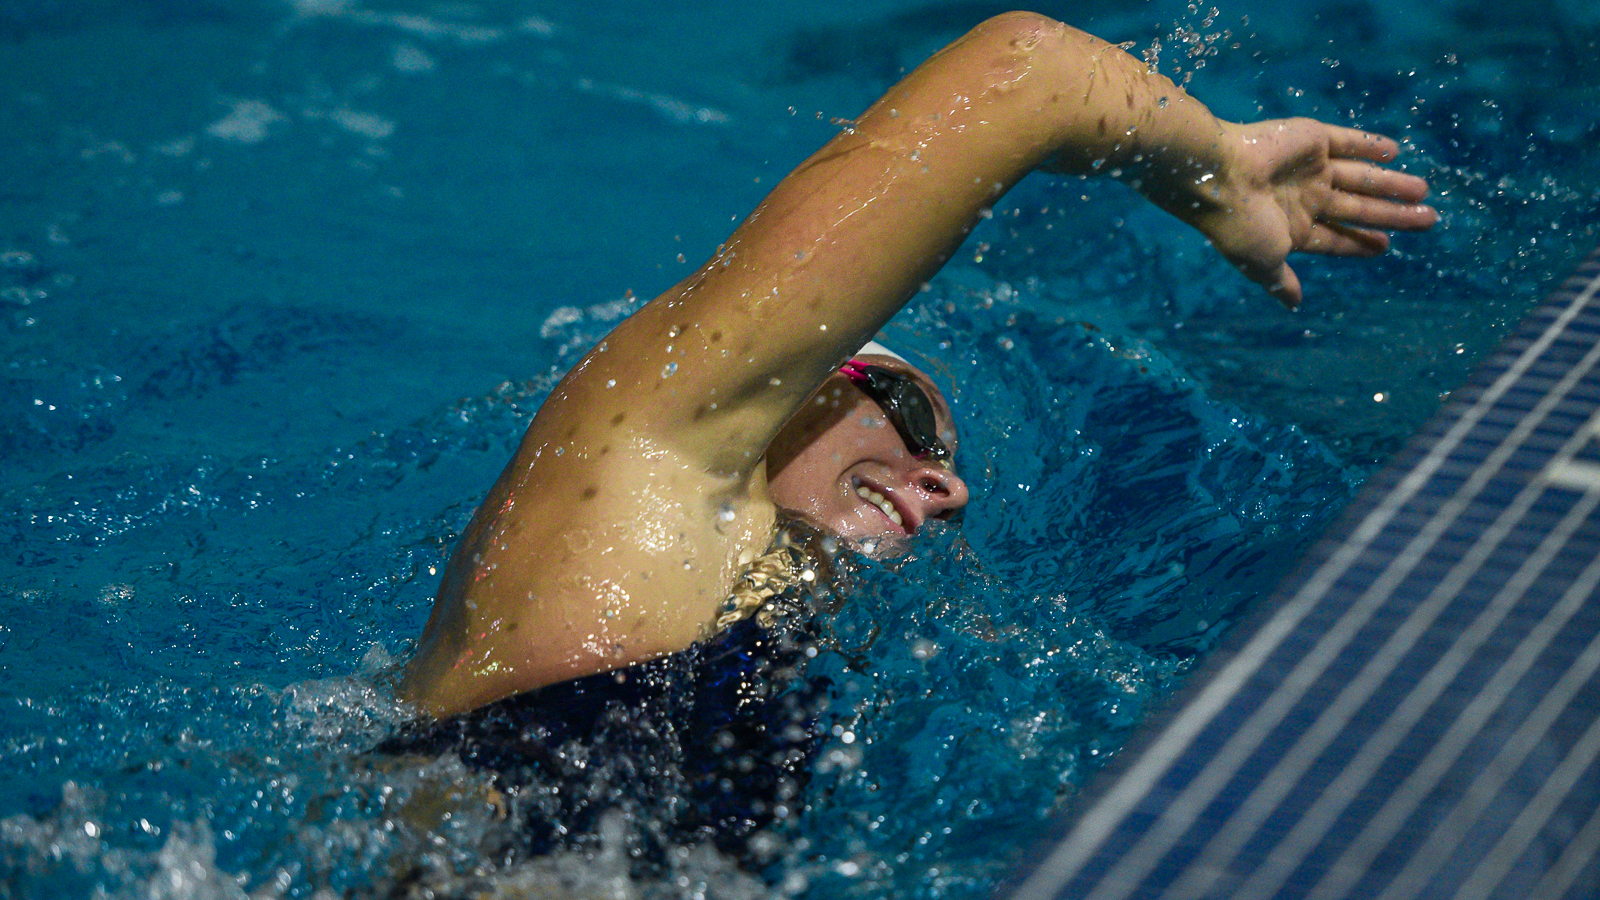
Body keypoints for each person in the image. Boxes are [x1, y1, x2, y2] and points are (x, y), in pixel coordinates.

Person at [382, 10, 1436, 860]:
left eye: (947, 466)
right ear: (785, 388)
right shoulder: (636, 468)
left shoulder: (777, 677)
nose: (947, 486)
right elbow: (1026, 74)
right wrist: (1215, 168)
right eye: (913, 417)